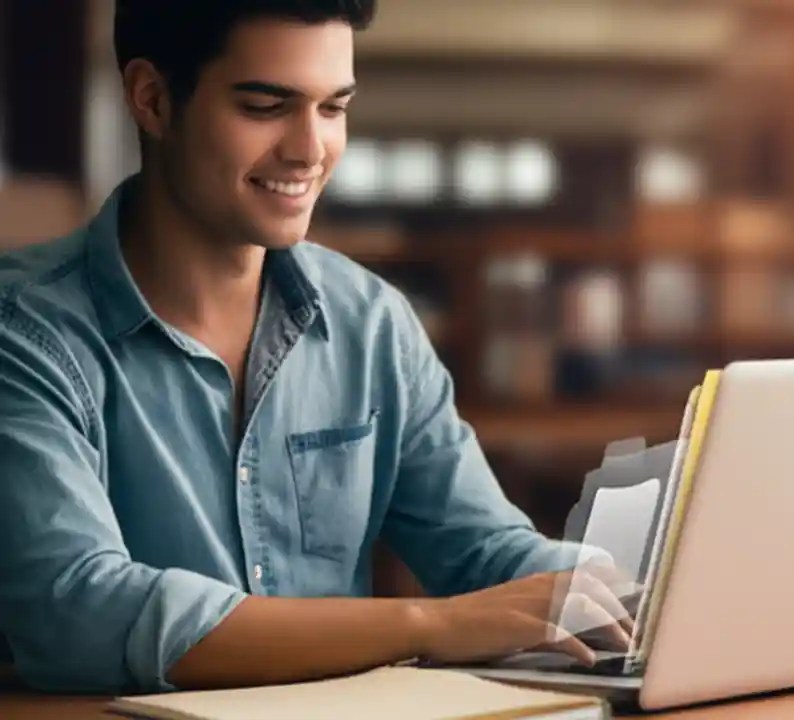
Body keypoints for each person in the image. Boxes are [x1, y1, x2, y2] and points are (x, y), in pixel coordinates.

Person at [0, 0, 631, 694]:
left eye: (333, 108)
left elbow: (485, 553)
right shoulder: (26, 335)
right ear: (152, 99)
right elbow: (80, 612)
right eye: (267, 106)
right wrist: (429, 626)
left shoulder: (372, 325)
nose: (310, 150)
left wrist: (630, 590)